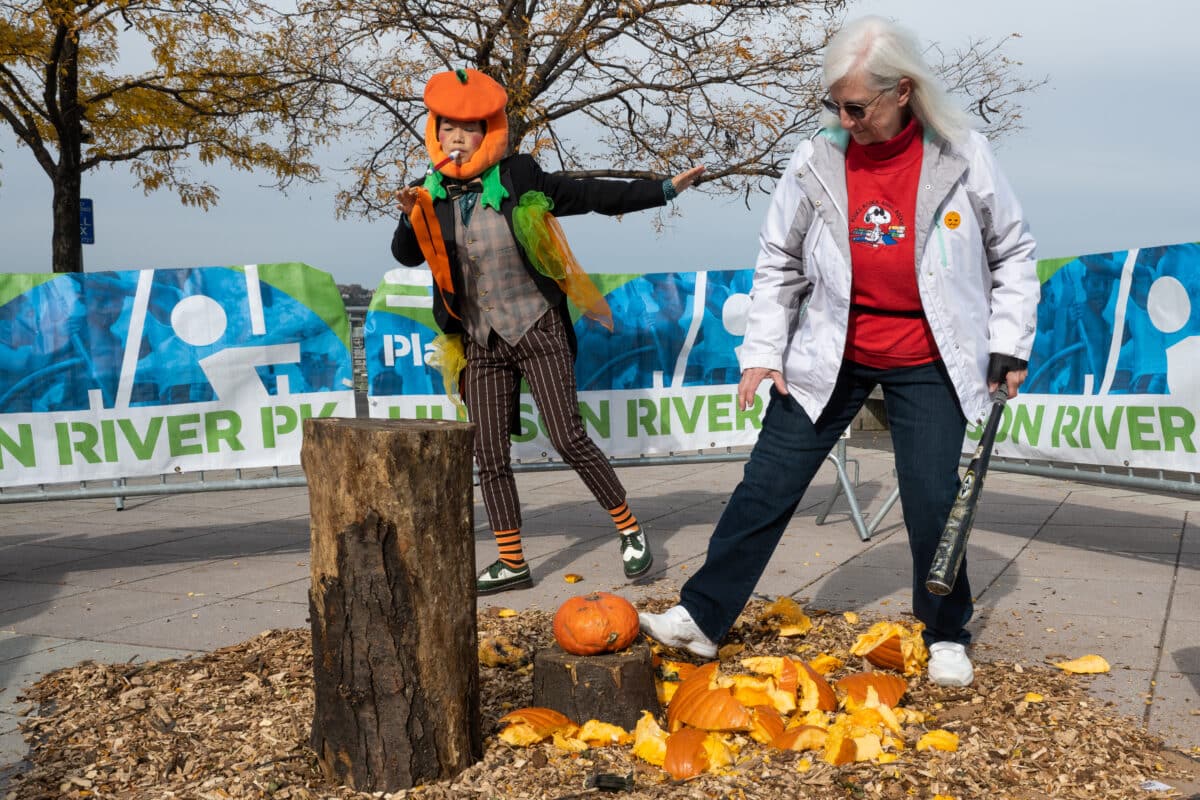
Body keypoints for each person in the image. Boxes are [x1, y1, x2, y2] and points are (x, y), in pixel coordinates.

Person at [638, 16, 1039, 687]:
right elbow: (779, 261)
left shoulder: (963, 152)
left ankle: (945, 631)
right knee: (765, 483)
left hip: (929, 355)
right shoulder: (815, 158)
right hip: (832, 351)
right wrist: (762, 352)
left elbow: (1013, 252)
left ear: (903, 92)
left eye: (857, 106)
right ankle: (703, 618)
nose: (845, 119)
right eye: (835, 104)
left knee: (935, 499)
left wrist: (1008, 344)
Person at [392, 67, 704, 594]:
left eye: (469, 129)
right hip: (480, 340)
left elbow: (588, 194)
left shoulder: (519, 175)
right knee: (487, 452)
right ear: (436, 133)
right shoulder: (428, 192)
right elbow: (405, 255)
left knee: (567, 435)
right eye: (449, 130)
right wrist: (410, 216)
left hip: (537, 328)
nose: (458, 139)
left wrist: (663, 191)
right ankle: (512, 560)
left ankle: (629, 529)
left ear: (488, 131)